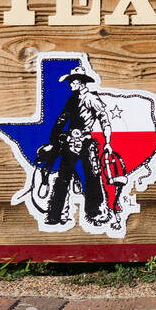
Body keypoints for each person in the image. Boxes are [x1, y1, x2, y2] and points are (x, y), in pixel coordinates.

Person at [37, 65, 113, 227]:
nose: (70, 84)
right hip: (70, 143)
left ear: (80, 83)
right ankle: (55, 214)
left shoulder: (92, 98)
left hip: (86, 142)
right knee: (62, 178)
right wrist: (54, 138)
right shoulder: (72, 99)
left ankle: (97, 212)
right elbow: (62, 119)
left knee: (92, 177)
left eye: (72, 81)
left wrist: (107, 142)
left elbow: (104, 119)